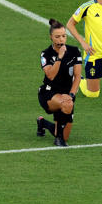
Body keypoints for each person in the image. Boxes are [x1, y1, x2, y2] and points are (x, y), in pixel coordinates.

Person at [36, 19, 82, 147]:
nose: (61, 39)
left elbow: (77, 76)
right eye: (57, 37)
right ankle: (58, 140)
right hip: (49, 93)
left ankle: (43, 123)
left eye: (63, 36)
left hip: (67, 95)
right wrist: (59, 57)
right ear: (51, 37)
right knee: (67, 104)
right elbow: (50, 75)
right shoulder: (46, 54)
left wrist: (71, 95)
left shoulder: (75, 51)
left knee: (65, 134)